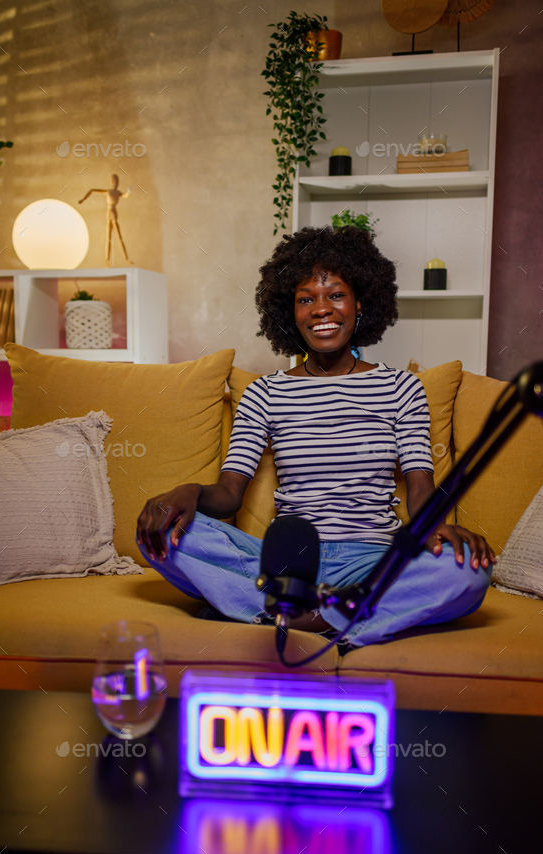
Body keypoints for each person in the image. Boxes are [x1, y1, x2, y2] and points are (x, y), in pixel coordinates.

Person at [136, 225, 495, 647]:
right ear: (290, 313)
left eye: (336, 295)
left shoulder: (401, 388)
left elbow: (419, 489)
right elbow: (229, 495)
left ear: (360, 303)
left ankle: (286, 615)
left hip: (373, 560)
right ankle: (345, 617)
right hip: (288, 561)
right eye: (306, 299)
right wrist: (189, 492)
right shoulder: (265, 393)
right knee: (159, 533)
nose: (321, 309)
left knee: (467, 569)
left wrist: (439, 529)